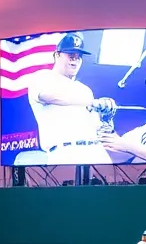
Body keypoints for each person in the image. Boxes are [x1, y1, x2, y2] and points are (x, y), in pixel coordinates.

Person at [26, 33, 114, 165]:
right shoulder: (42, 78)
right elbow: (51, 97)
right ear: (57, 55)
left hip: (96, 150)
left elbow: (98, 128)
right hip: (65, 152)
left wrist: (107, 117)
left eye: (79, 57)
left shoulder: (85, 90)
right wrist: (92, 102)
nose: (75, 60)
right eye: (70, 55)